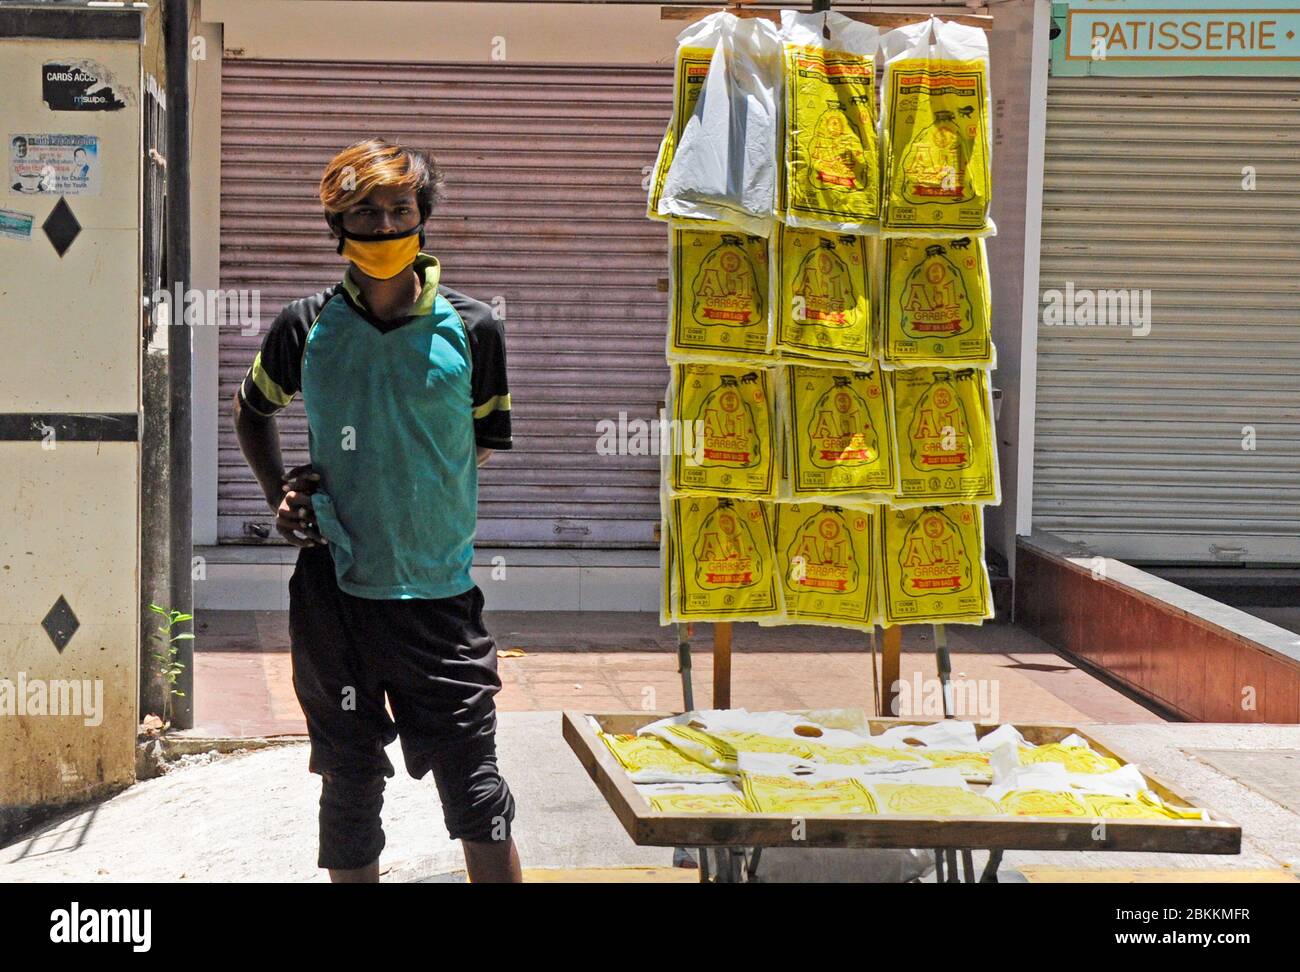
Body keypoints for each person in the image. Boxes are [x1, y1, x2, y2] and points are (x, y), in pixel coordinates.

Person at [232, 138, 521, 883]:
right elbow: (251, 412)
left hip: (438, 597)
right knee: (350, 785)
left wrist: (403, 480)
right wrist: (281, 499)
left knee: (478, 789)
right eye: (364, 213)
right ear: (337, 228)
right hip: (334, 595)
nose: (385, 228)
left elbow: (479, 443)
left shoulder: (476, 327)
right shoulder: (304, 327)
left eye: (400, 210)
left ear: (424, 217)